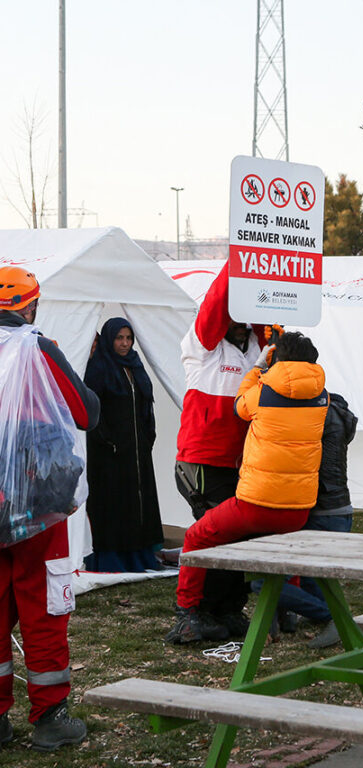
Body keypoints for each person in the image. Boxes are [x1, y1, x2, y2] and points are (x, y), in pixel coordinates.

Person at [166, 331, 328, 644]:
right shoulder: (322, 395)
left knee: (196, 536)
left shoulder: (264, 391)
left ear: (276, 358)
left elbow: (240, 406)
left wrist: (255, 369)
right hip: (299, 508)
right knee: (280, 547)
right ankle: (285, 614)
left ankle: (187, 614)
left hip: (257, 503)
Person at [0, 266, 100, 750]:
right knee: (42, 603)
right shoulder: (37, 348)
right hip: (36, 502)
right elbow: (86, 412)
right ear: (31, 305)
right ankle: (50, 716)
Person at [174, 264, 278, 639]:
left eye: (245, 313)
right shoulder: (202, 344)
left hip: (243, 461)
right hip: (202, 459)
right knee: (212, 534)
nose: (238, 318)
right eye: (233, 312)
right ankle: (195, 610)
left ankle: (229, 609)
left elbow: (276, 320)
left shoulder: (256, 348)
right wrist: (243, 258)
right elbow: (216, 303)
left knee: (237, 537)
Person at [265, 392, 357, 649]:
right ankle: (329, 616)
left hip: (321, 510)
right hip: (338, 508)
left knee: (265, 580)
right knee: (311, 577)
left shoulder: (315, 415)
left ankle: (336, 618)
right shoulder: (336, 408)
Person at [83, 318, 163, 572]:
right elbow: (92, 411)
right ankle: (113, 558)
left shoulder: (135, 364)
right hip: (110, 452)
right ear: (109, 339)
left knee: (138, 501)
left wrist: (148, 435)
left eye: (128, 338)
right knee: (114, 503)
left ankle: (141, 555)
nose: (125, 343)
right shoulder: (99, 368)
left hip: (136, 449)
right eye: (119, 338)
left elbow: (145, 403)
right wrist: (108, 441)